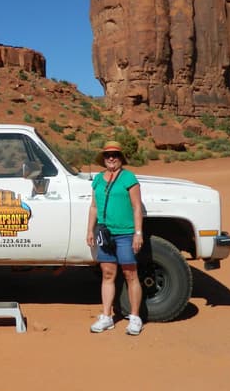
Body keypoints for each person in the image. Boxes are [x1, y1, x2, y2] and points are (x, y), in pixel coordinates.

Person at [86, 140, 145, 336]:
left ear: (121, 158)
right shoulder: (97, 180)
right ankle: (106, 316)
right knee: (108, 274)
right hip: (105, 233)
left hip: (126, 233)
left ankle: (135, 317)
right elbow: (93, 207)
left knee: (130, 273)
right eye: (108, 155)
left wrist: (138, 233)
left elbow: (137, 206)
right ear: (103, 159)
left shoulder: (129, 178)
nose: (111, 158)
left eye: (115, 155)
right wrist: (90, 231)